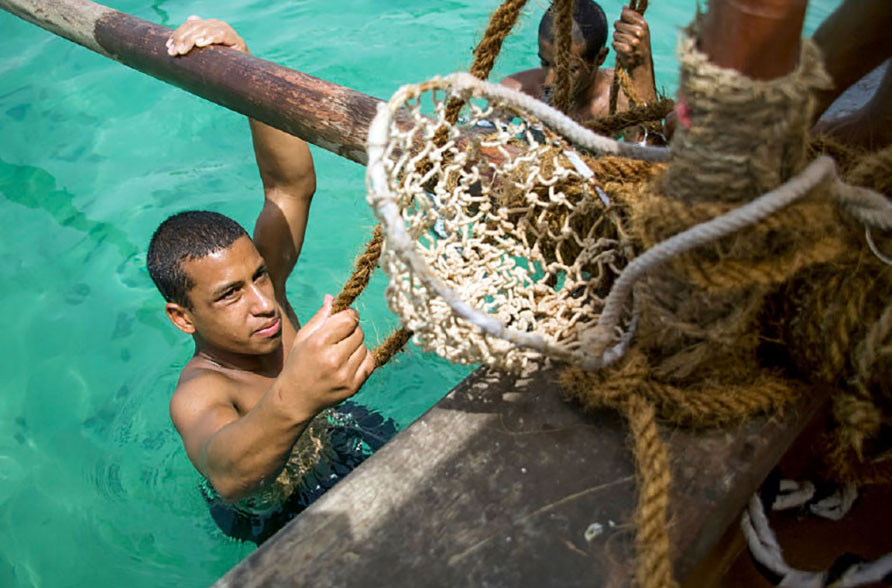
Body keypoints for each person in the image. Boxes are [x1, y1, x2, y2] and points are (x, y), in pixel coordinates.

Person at [149, 17, 394, 544]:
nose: (263, 303)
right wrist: (296, 395)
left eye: (259, 275)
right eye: (229, 294)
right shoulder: (200, 391)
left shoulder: (267, 294)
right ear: (182, 317)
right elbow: (229, 474)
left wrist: (245, 66)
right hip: (283, 508)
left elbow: (289, 186)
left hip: (338, 436)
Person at [501, 0, 657, 128]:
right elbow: (480, 141)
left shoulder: (620, 103)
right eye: (545, 63)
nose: (549, 82)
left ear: (600, 58)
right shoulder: (519, 91)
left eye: (569, 70)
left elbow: (650, 157)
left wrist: (642, 67)